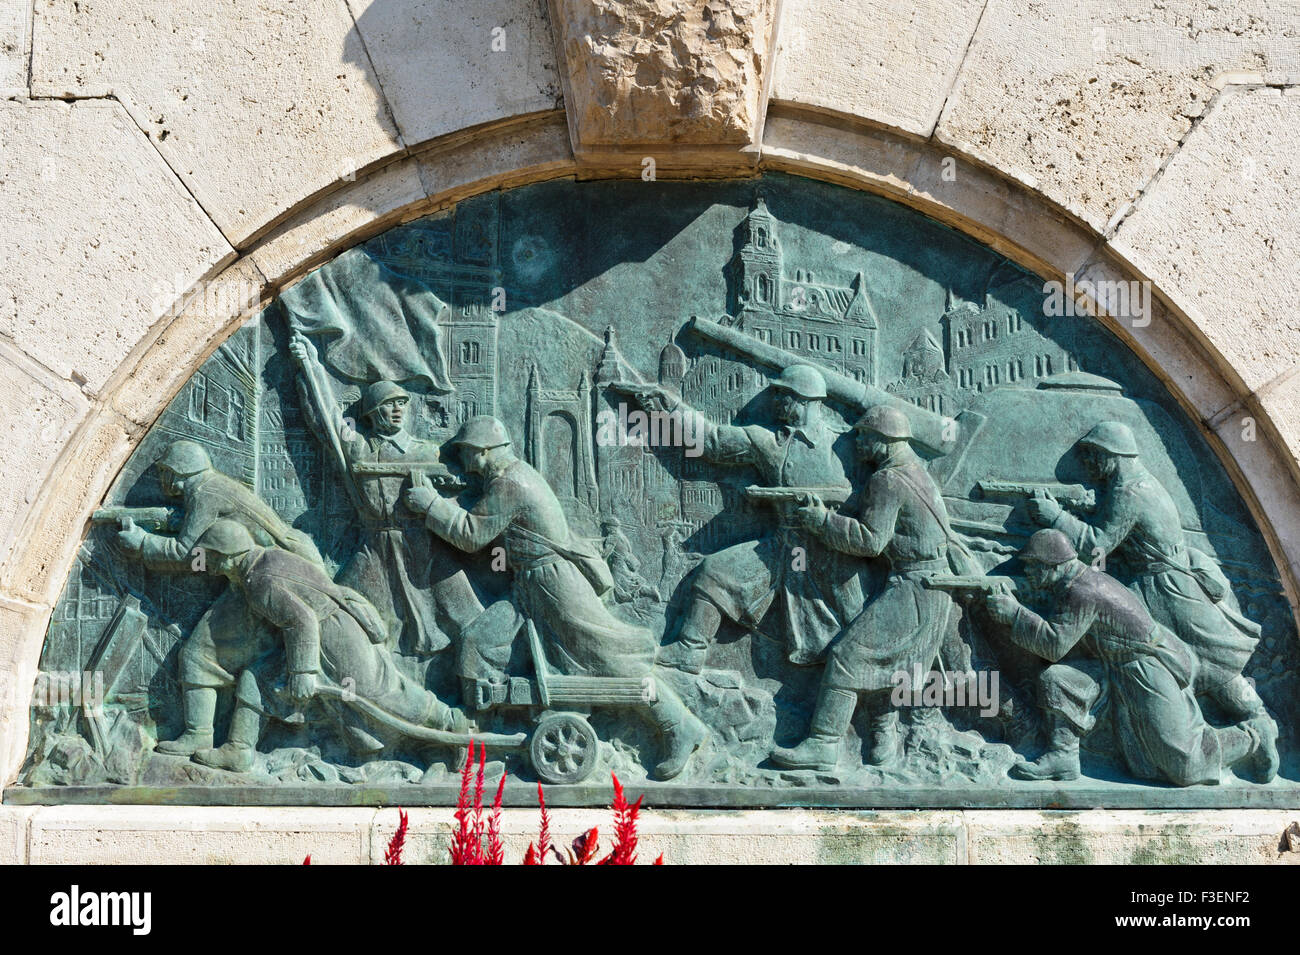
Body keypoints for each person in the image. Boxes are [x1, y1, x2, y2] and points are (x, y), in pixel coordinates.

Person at [404, 415, 709, 780]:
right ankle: (469, 735)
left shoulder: (511, 484)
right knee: (478, 641)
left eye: (466, 455)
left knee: (608, 657)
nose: (464, 464)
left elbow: (471, 534)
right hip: (530, 587)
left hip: (555, 588)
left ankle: (679, 725)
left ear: (484, 452)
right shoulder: (509, 477)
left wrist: (429, 505)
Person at [983, 529, 1277, 786]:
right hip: (1113, 666)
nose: (1029, 575)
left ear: (1052, 566)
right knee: (1058, 679)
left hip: (1148, 667)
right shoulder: (1073, 582)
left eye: (1032, 568)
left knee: (1186, 765)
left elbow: (1054, 645)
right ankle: (1063, 757)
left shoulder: (1083, 590)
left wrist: (1015, 614)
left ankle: (1255, 735)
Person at [626, 364, 862, 673]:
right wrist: (668, 407)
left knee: (858, 626)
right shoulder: (768, 441)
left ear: (804, 399)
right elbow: (712, 441)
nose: (775, 402)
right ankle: (690, 650)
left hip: (835, 553)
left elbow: (880, 490)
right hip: (784, 548)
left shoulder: (847, 445)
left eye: (782, 395)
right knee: (714, 572)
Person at [182, 520, 468, 773]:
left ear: (226, 557)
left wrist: (302, 672)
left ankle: (447, 719)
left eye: (212, 558)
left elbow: (301, 620)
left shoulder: (260, 582)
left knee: (380, 692)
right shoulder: (267, 560)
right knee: (256, 680)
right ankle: (239, 750)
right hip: (320, 635)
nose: (209, 565)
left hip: (334, 638)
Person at [1029, 421, 1267, 723]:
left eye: (1092, 455)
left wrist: (1058, 518)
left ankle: (1257, 723)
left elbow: (1099, 546)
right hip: (1160, 582)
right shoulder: (1132, 484)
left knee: (1213, 664)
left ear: (1113, 455)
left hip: (1167, 590)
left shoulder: (1130, 492)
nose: (1088, 463)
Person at [770, 406, 962, 771]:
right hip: (927, 587)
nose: (856, 442)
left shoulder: (886, 480)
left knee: (847, 655)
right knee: (886, 661)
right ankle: (883, 740)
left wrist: (821, 521)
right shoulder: (916, 471)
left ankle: (824, 745)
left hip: (915, 588)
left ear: (883, 441)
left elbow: (871, 541)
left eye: (863, 435)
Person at [114, 439, 323, 756]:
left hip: (265, 577)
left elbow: (189, 553)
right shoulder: (214, 486)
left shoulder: (205, 492)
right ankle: (215, 739)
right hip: (263, 570)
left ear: (175, 473)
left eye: (164, 474)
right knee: (208, 654)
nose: (162, 481)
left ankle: (205, 737)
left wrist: (141, 542)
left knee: (200, 653)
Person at [291, 331, 482, 656]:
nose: (396, 411)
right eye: (386, 406)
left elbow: (465, 485)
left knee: (467, 618)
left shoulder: (427, 453)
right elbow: (326, 420)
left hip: (423, 547)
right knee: (342, 612)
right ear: (370, 414)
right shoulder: (359, 450)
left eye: (400, 405)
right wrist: (308, 365)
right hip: (375, 548)